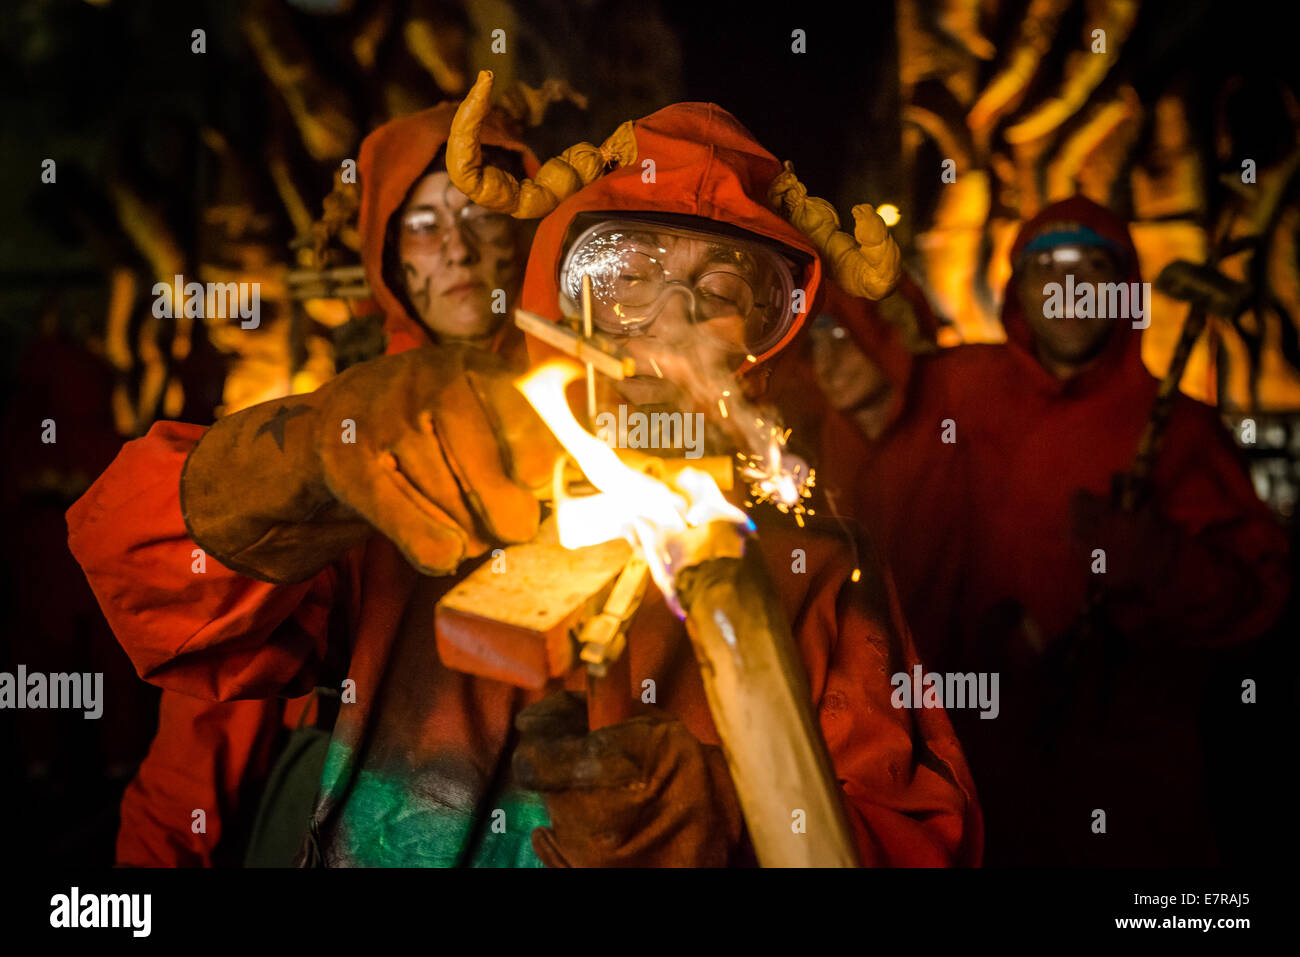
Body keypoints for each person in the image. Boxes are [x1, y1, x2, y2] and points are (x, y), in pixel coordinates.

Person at [70, 81, 982, 867]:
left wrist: (739, 828)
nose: (670, 319)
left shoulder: (814, 565)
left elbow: (920, 838)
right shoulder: (419, 496)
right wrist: (303, 459)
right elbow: (146, 582)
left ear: (765, 340)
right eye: (629, 275)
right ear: (562, 297)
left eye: (721, 291)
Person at [113, 101, 538, 866]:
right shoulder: (341, 434)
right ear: (389, 255)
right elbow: (208, 722)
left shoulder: (586, 431)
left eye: (483, 214)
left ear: (525, 234)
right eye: (424, 223)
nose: (459, 249)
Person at [813, 195, 1289, 865]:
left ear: (1124, 291)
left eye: (1092, 267)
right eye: (1047, 269)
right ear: (1018, 291)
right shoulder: (960, 389)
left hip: (1126, 792)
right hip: (965, 771)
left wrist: (1159, 560)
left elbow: (1262, 600)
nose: (1069, 288)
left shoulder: (1181, 430)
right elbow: (868, 372)